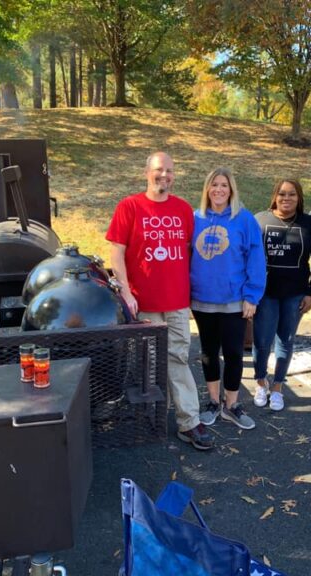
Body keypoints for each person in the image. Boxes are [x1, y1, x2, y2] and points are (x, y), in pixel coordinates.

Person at [106, 152, 214, 450]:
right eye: (158, 169)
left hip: (177, 302)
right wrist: (126, 292)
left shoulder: (183, 209)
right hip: (144, 303)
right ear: (146, 172)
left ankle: (188, 422)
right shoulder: (129, 206)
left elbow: (190, 251)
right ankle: (150, 417)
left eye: (169, 170)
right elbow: (117, 252)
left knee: (177, 358)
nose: (164, 175)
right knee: (148, 364)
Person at [190, 167, 266, 430]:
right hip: (202, 299)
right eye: (214, 185)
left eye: (224, 185)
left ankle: (231, 405)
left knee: (233, 353)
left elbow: (256, 259)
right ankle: (213, 402)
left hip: (234, 300)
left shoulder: (244, 220)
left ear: (231, 189)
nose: (219, 190)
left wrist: (252, 296)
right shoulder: (195, 218)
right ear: (207, 189)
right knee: (209, 353)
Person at [252, 179, 311, 411]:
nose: (286, 198)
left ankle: (278, 387)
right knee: (262, 341)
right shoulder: (260, 220)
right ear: (275, 196)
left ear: (299, 198)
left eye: (292, 194)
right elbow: (248, 257)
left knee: (286, 340)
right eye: (282, 194)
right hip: (265, 294)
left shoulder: (309, 224)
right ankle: (261, 382)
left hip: (295, 294)